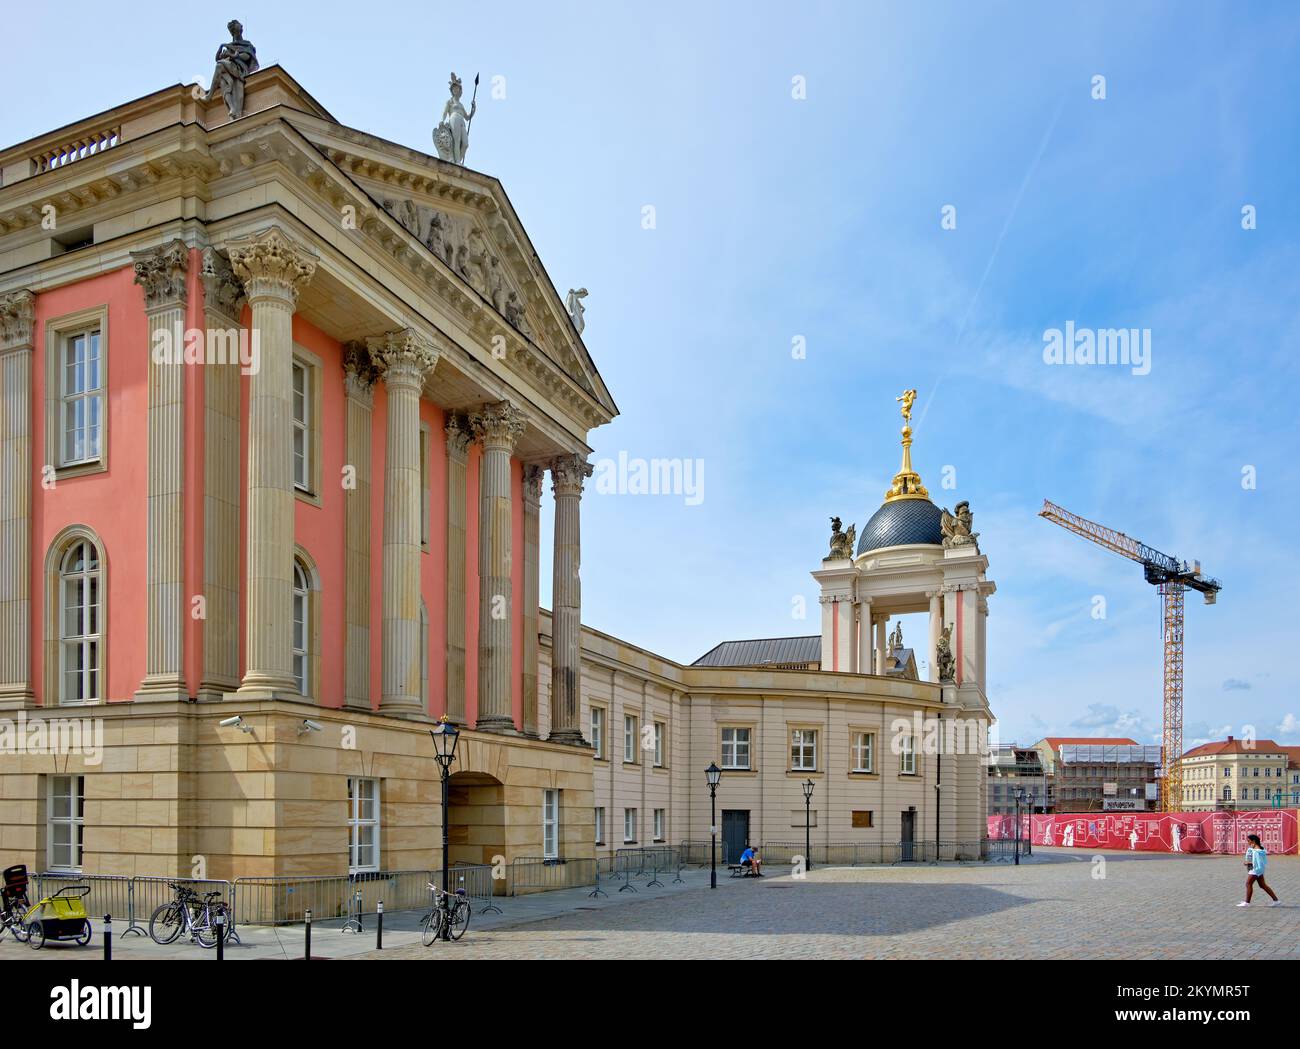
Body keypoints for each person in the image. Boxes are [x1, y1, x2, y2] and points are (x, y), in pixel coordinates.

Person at [1237, 834, 1281, 907]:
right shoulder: (1259, 849)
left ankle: (1247, 903)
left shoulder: (1257, 851)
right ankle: (1276, 901)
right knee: (1262, 885)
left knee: (1248, 884)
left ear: (1253, 841)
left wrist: (1248, 862)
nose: (1248, 842)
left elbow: (1258, 862)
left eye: (1248, 841)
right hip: (1259, 870)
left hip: (1255, 870)